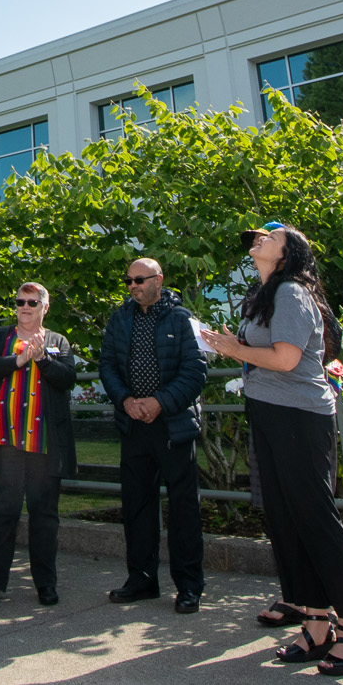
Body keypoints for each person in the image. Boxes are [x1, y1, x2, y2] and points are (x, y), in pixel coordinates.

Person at [202, 221, 343, 677]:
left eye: (268, 236)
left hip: (300, 416)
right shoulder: (263, 295)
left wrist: (232, 349)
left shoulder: (292, 292)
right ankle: (316, 625)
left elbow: (286, 359)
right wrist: (231, 346)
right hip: (269, 412)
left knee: (314, 518)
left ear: (289, 252)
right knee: (285, 519)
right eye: (254, 235)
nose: (257, 238)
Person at [98, 256, 208, 612]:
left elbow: (195, 371)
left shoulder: (182, 319)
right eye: (128, 281)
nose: (133, 286)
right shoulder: (120, 318)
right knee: (137, 506)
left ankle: (189, 586)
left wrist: (160, 402)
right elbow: (108, 365)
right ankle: (142, 580)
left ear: (158, 280)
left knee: (184, 509)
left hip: (172, 426)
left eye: (139, 280)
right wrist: (126, 400)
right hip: (133, 425)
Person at [0, 280, 76, 608]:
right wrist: (18, 361)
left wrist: (43, 360)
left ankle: (46, 584)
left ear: (45, 307)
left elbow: (67, 378)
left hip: (44, 443)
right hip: (4, 439)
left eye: (33, 303)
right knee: (2, 512)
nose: (24, 307)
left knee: (44, 515)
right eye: (20, 301)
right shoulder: (0, 337)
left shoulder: (57, 341)